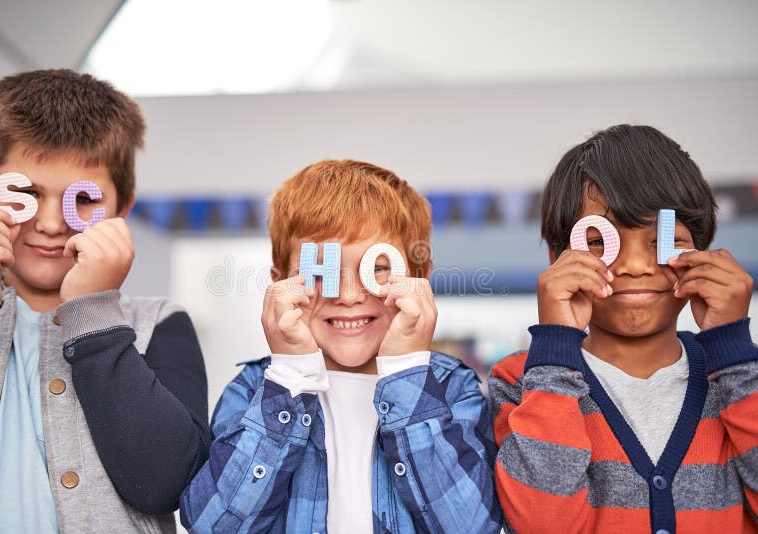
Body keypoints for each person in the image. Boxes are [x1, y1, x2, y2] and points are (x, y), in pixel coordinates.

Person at [180, 160, 500, 533]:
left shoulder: (453, 388)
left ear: (420, 278)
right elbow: (211, 525)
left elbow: (471, 526)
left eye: (378, 269)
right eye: (322, 271)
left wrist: (406, 369)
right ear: (280, 283)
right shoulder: (257, 387)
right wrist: (291, 375)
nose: (348, 296)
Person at [0, 69, 210, 533]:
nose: (52, 224)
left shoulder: (161, 323)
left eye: (82, 199)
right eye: (27, 194)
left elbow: (166, 484)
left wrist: (94, 313)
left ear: (121, 209)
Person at [489, 124, 757, 533]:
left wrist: (734, 351)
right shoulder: (525, 382)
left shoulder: (742, 382)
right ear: (557, 258)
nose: (634, 265)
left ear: (699, 252)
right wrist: (557, 344)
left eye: (663, 241)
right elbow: (542, 524)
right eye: (599, 242)